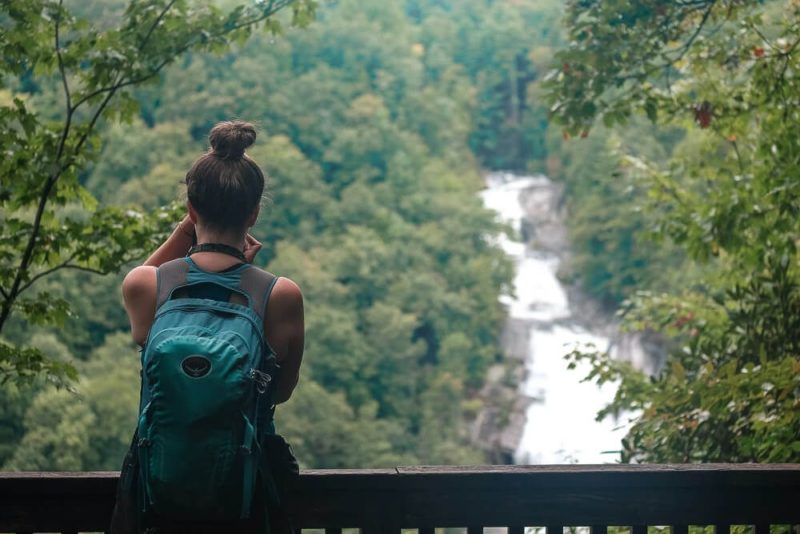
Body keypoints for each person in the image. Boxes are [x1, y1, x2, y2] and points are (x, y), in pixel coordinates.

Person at [111, 120, 304, 534]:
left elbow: (143, 275)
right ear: (254, 212)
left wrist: (187, 227)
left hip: (156, 501)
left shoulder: (149, 285)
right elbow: (281, 392)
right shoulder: (279, 295)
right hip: (244, 502)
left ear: (192, 209)